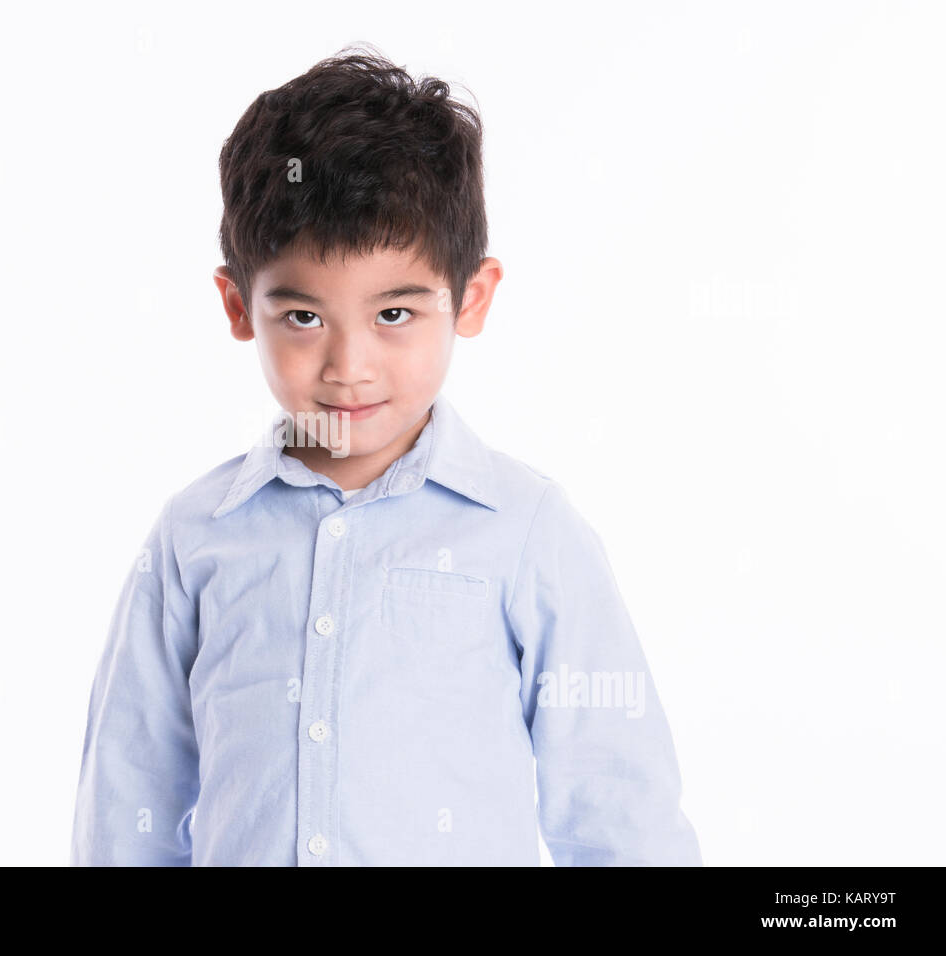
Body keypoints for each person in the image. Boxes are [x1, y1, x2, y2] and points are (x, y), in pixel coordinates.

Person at [70, 46, 701, 866]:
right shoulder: (194, 537)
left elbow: (620, 809)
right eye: (302, 318)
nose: (349, 365)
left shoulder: (526, 532)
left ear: (470, 297)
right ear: (238, 305)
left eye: (395, 313)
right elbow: (129, 799)